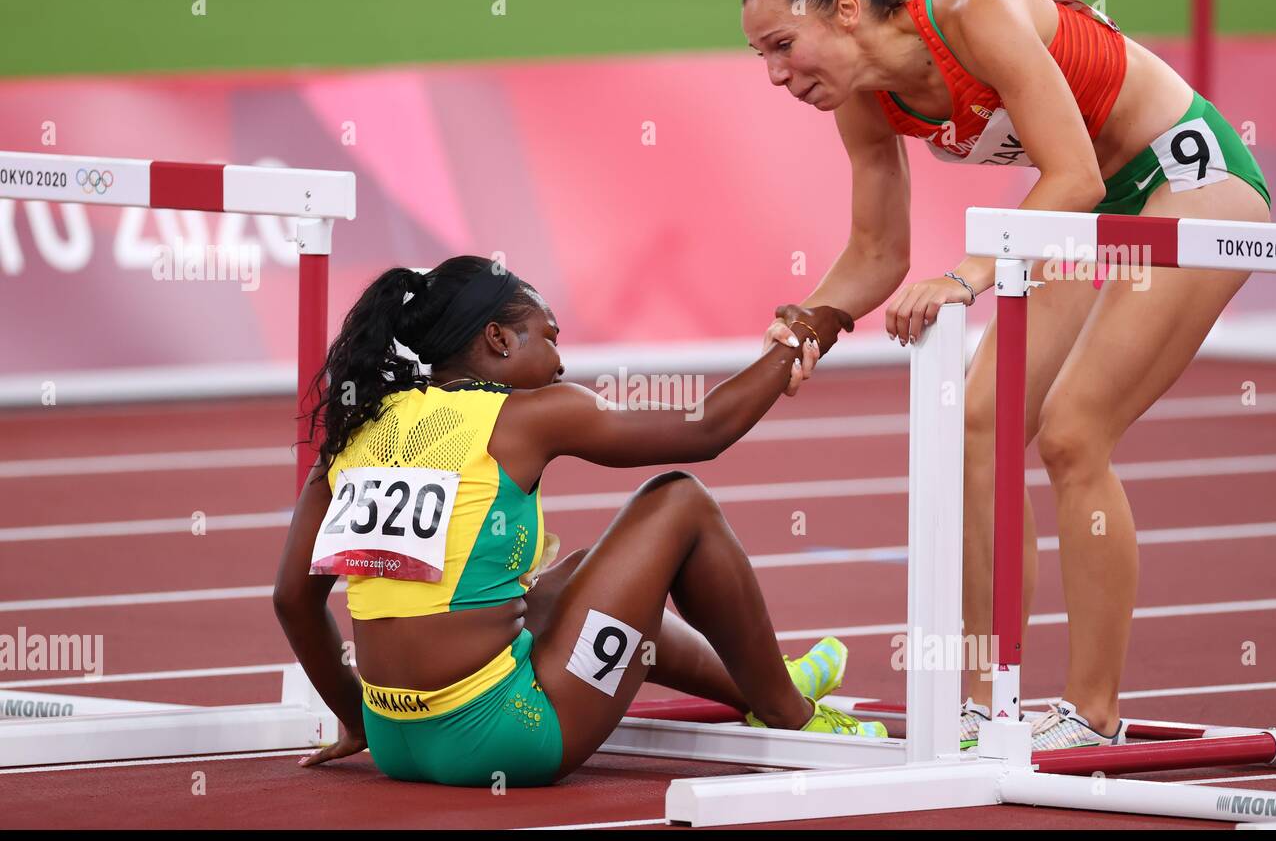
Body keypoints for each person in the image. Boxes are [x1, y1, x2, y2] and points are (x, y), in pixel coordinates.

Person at [744, 0, 1271, 749]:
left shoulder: (972, 14)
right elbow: (877, 252)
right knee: (978, 429)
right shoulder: (865, 102)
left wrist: (965, 279)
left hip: (1188, 178)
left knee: (1073, 432)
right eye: (761, 58)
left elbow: (1074, 173)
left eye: (783, 46)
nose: (777, 75)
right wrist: (813, 323)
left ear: (847, 10)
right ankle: (992, 707)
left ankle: (1093, 715)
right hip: (1083, 215)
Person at [272, 256, 881, 788]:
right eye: (549, 337)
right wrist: (794, 343)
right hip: (504, 739)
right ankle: (792, 713)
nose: (562, 362)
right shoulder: (530, 414)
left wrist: (358, 719)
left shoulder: (361, 427)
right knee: (679, 501)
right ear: (499, 340)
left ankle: (759, 682)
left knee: (585, 575)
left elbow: (293, 599)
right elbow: (705, 429)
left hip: (394, 739)